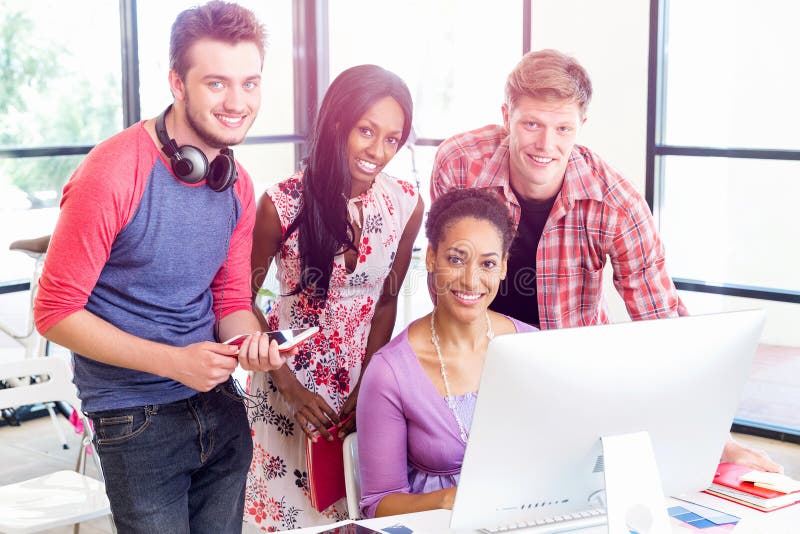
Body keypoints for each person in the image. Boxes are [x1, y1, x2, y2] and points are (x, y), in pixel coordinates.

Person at [431, 48, 781, 473]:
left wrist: (719, 441)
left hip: (570, 373)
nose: (546, 144)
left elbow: (664, 324)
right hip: (472, 362)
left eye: (563, 128)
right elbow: (447, 279)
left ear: (582, 125)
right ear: (507, 115)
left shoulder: (618, 204)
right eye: (531, 124)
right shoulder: (459, 163)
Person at [33, 3, 289, 532]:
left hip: (218, 404)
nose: (238, 103)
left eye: (250, 83)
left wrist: (254, 345)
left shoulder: (235, 184)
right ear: (177, 82)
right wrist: (175, 362)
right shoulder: (111, 172)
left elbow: (232, 304)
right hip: (134, 418)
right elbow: (54, 312)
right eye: (217, 83)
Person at [244, 64, 424, 530]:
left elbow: (386, 303)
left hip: (362, 384)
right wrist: (288, 384)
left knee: (354, 514)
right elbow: (238, 299)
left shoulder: (406, 203)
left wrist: (371, 384)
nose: (378, 151)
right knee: (289, 518)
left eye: (392, 138)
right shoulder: (281, 203)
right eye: (367, 130)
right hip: (287, 386)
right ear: (338, 123)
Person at [357, 188, 536, 518]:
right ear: (431, 258)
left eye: (487, 263)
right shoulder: (390, 372)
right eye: (456, 259)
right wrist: (447, 500)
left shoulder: (532, 348)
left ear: (503, 267)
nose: (471, 280)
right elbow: (378, 503)